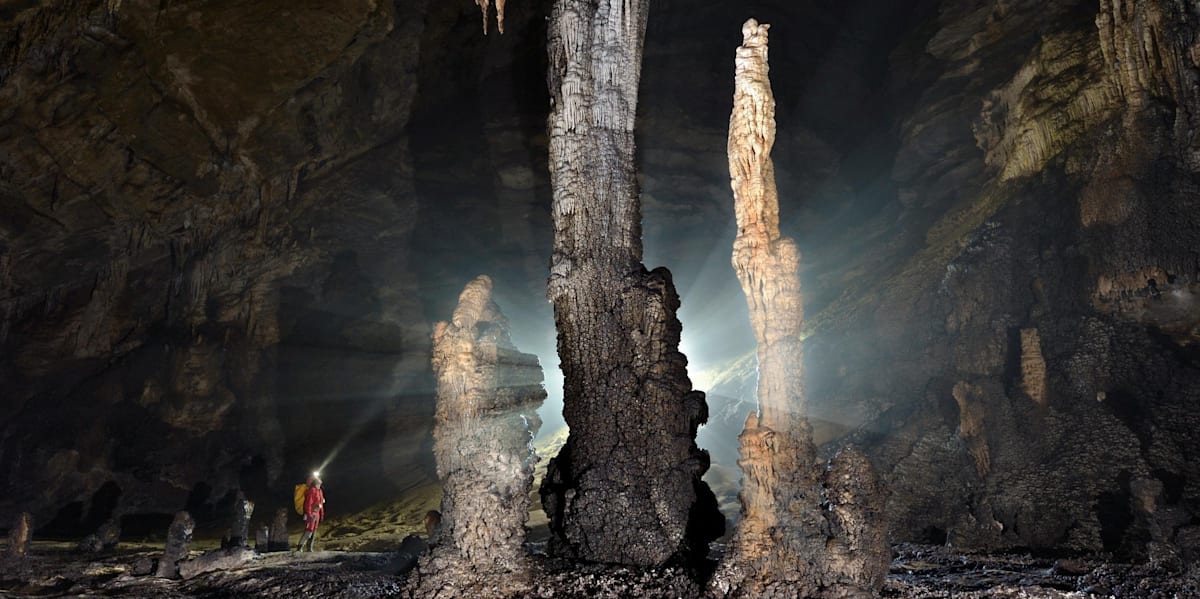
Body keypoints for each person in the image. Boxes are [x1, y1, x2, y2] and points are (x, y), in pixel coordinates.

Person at [296, 477, 326, 551]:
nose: (319, 484)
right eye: (318, 483)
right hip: (312, 513)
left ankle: (309, 547)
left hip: (317, 513)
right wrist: (309, 514)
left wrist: (322, 514)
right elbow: (308, 504)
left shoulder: (320, 491)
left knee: (314, 530)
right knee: (309, 530)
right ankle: (300, 547)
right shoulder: (312, 491)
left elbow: (321, 504)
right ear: (315, 483)